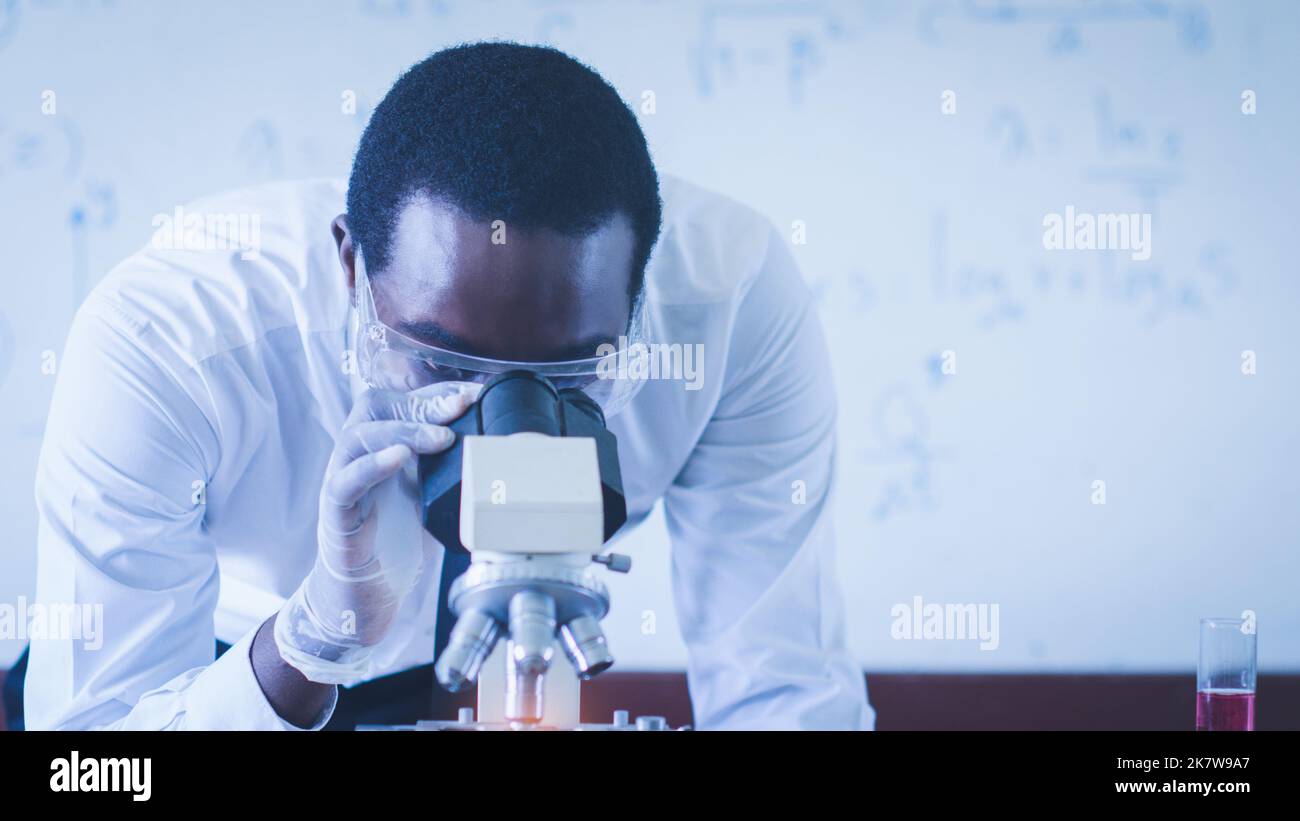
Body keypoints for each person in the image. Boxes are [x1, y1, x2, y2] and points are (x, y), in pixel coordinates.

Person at [24, 42, 872, 730]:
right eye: (444, 360)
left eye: (569, 370)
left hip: (505, 666)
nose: (501, 432)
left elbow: (788, 697)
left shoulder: (733, 305)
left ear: (641, 300)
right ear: (352, 269)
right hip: (226, 671)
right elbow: (95, 765)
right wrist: (314, 634)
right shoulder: (171, 342)